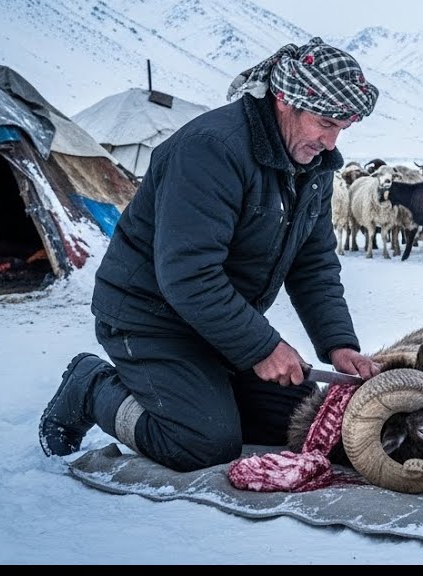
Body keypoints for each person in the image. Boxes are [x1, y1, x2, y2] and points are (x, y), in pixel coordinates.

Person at [39, 37, 384, 473]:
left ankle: (204, 393)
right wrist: (262, 347)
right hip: (148, 318)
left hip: (215, 325)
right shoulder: (211, 150)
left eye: (342, 128)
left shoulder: (311, 167)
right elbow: (188, 274)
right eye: (324, 122)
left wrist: (339, 345)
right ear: (285, 101)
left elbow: (312, 263)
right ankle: (91, 386)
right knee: (201, 443)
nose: (331, 142)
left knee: (303, 420)